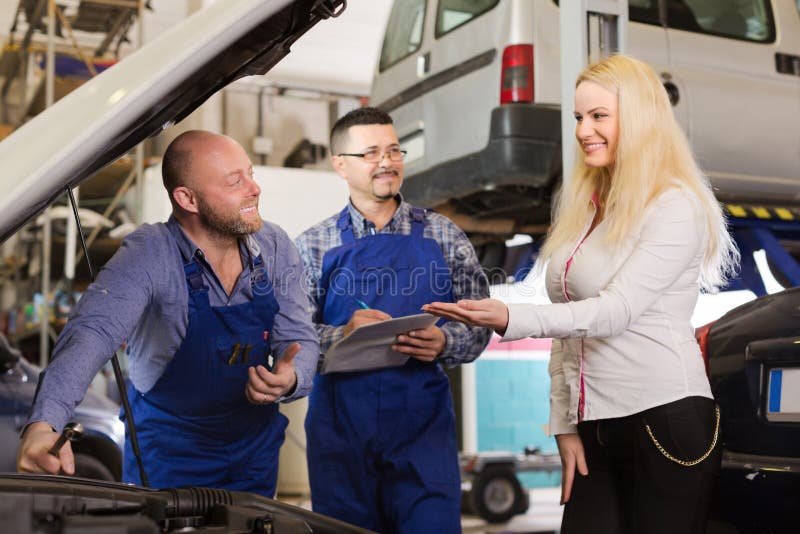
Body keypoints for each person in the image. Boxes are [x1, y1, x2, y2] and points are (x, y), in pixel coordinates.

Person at [423, 54, 739, 534]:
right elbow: (569, 325)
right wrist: (565, 423)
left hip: (666, 419)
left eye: (598, 116)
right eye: (578, 117)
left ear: (638, 119)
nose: (583, 130)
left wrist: (510, 316)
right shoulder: (588, 208)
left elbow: (613, 313)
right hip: (597, 427)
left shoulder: (675, 205)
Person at [17, 130, 319, 497]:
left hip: (252, 454)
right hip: (167, 457)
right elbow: (92, 333)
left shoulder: (274, 246)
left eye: (251, 173)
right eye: (235, 181)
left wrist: (290, 378)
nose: (254, 188)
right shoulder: (150, 253)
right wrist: (44, 423)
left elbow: (299, 337)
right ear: (187, 198)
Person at [294, 107, 492, 532]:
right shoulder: (311, 246)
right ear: (340, 165)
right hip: (340, 432)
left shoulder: (444, 235)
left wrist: (446, 342)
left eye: (393, 150)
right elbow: (290, 338)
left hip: (422, 429)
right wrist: (341, 334)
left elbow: (479, 321)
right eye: (370, 153)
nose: (387, 162)